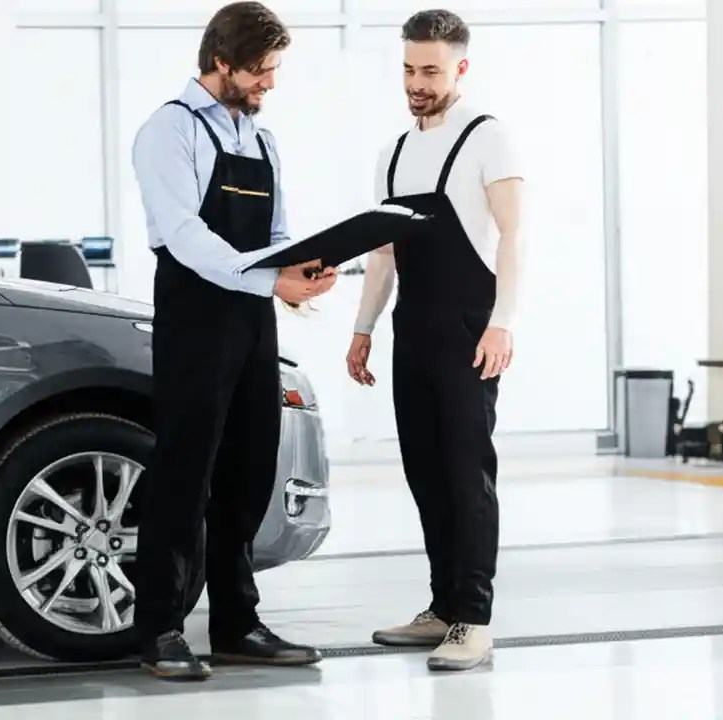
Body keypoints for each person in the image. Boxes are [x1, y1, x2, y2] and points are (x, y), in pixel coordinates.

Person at [131, 1, 336, 681]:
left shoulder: (261, 139)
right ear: (222, 61)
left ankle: (236, 624)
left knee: (250, 469)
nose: (269, 84)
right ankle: (159, 627)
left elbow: (275, 233)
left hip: (253, 319)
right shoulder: (169, 130)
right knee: (184, 473)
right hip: (195, 316)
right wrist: (268, 282)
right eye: (260, 70)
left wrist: (300, 266)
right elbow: (184, 237)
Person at [346, 9, 525, 672]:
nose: (416, 82)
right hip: (411, 327)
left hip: (467, 328)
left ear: (460, 68)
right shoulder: (393, 150)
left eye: (430, 70)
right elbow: (384, 253)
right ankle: (443, 608)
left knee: (465, 473)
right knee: (425, 470)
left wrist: (503, 320)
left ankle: (473, 619)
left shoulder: (488, 138)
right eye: (409, 68)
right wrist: (363, 329)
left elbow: (513, 235)